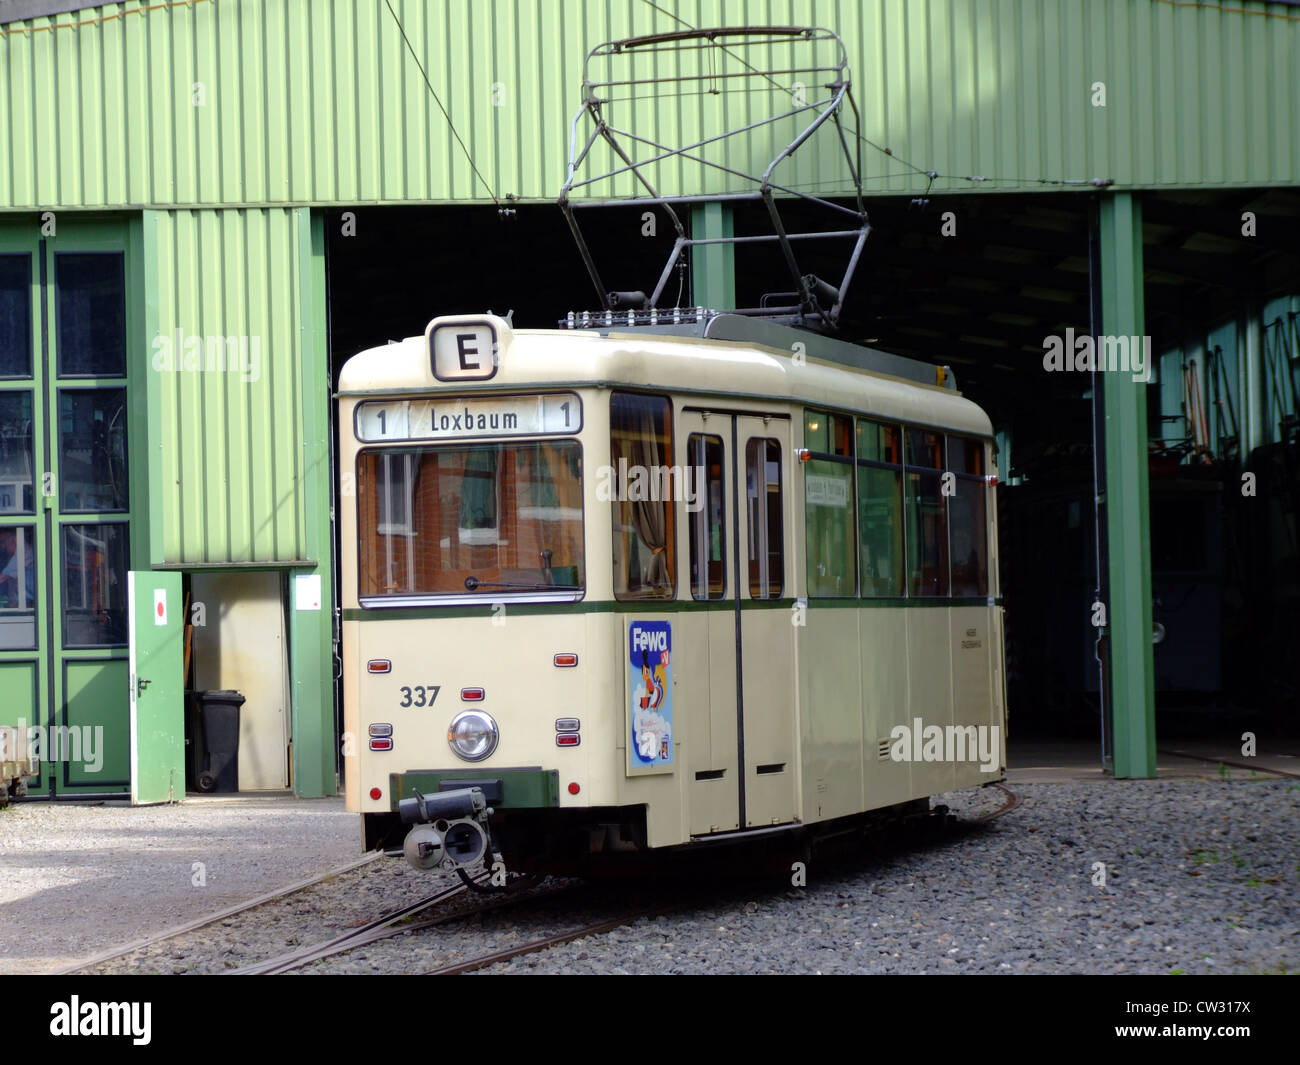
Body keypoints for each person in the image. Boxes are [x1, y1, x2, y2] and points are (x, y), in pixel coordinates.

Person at [0, 528, 35, 608]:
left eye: (4, 542)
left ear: (15, 539)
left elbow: (2, 577)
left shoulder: (23, 552)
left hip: (29, 602)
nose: (3, 547)